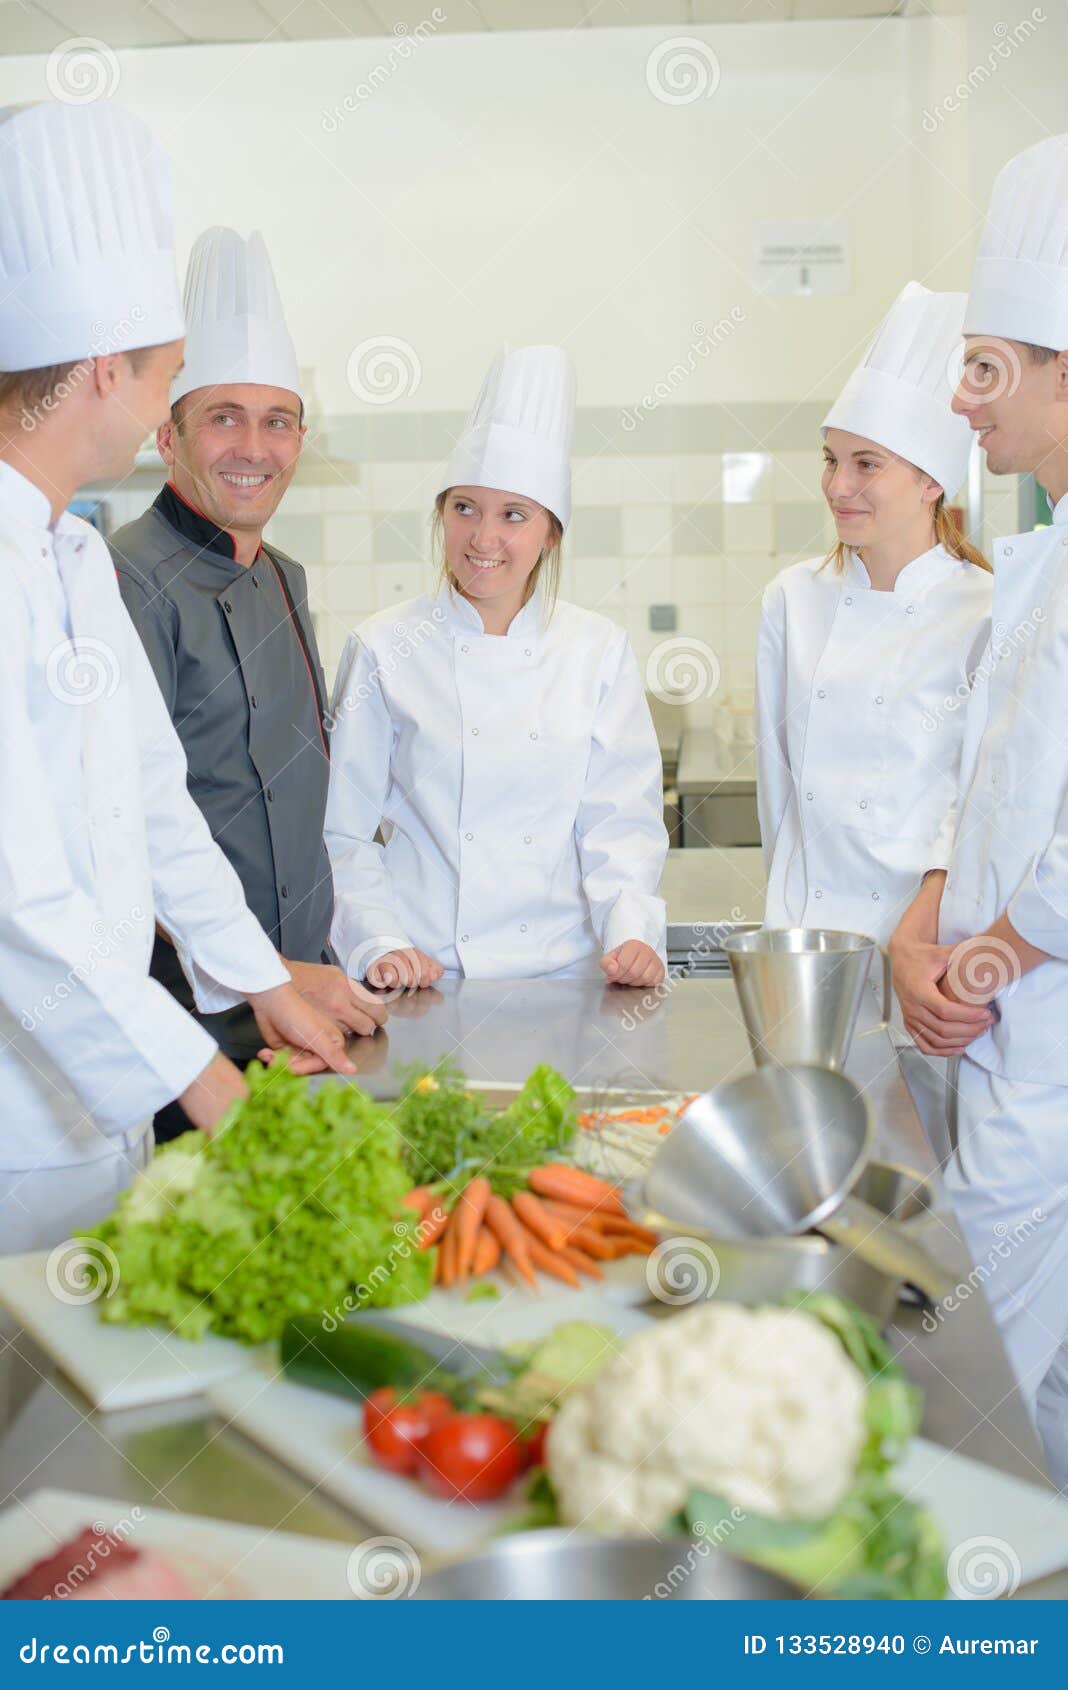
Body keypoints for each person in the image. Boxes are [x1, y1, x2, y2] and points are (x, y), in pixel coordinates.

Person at [0, 102, 352, 1254]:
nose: (167, 414)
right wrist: (201, 1077)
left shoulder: (68, 556)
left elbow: (155, 799)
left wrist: (263, 982)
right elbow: (18, 894)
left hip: (99, 1116)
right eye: (170, 383)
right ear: (106, 372)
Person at [110, 227, 385, 1141]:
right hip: (182, 1021)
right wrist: (263, 972)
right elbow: (126, 829)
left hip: (296, 1010)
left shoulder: (285, 578)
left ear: (302, 437)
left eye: (278, 420)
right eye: (223, 415)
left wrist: (317, 962)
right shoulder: (125, 580)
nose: (253, 447)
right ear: (169, 434)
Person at [889, 135, 1068, 1487]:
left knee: (960, 1395)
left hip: (1045, 1053)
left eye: (992, 364)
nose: (966, 393)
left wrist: (992, 950)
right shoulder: (1042, 555)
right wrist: (928, 919)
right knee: (1024, 1389)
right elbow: (993, 787)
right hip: (1002, 1034)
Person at [325, 344, 668, 989]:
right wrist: (378, 942)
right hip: (424, 977)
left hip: (571, 978)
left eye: (514, 515)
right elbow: (341, 831)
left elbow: (620, 821)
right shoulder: (382, 647)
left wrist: (632, 934)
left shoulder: (596, 650)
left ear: (551, 533)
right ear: (441, 513)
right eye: (465, 509)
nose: (484, 538)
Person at [755, 283, 993, 1158]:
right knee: (812, 1182)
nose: (838, 486)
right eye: (830, 460)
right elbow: (778, 795)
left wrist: (922, 930)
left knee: (924, 1202)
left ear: (931, 479)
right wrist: (783, 953)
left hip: (928, 966)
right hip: (812, 967)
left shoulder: (989, 612)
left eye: (866, 465)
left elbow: (975, 804)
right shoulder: (794, 600)